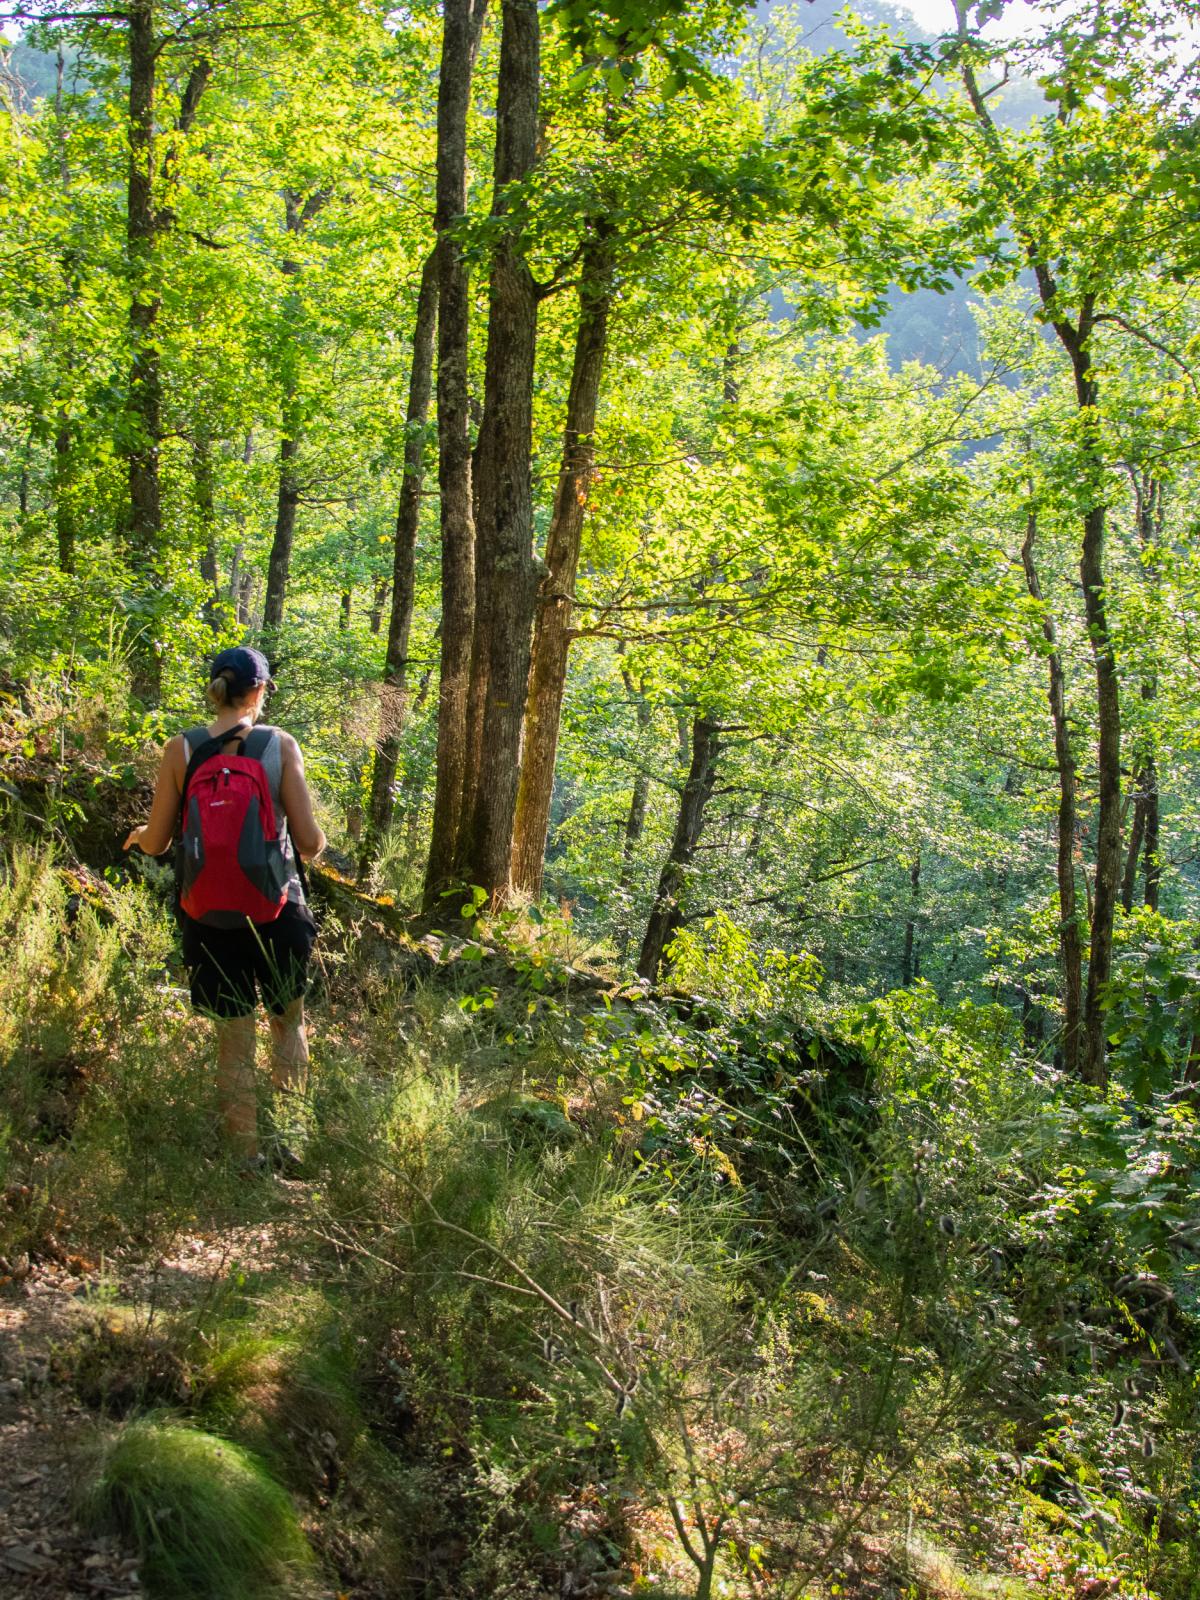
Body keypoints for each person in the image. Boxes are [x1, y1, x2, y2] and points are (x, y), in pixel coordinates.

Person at [124, 646, 326, 1171]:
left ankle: (245, 1158)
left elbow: (160, 841)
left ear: (216, 689)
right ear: (258, 692)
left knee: (233, 1041)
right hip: (276, 912)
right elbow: (307, 843)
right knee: (288, 1024)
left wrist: (139, 836)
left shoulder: (180, 749)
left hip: (208, 916)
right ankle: (292, 1142)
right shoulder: (280, 745)